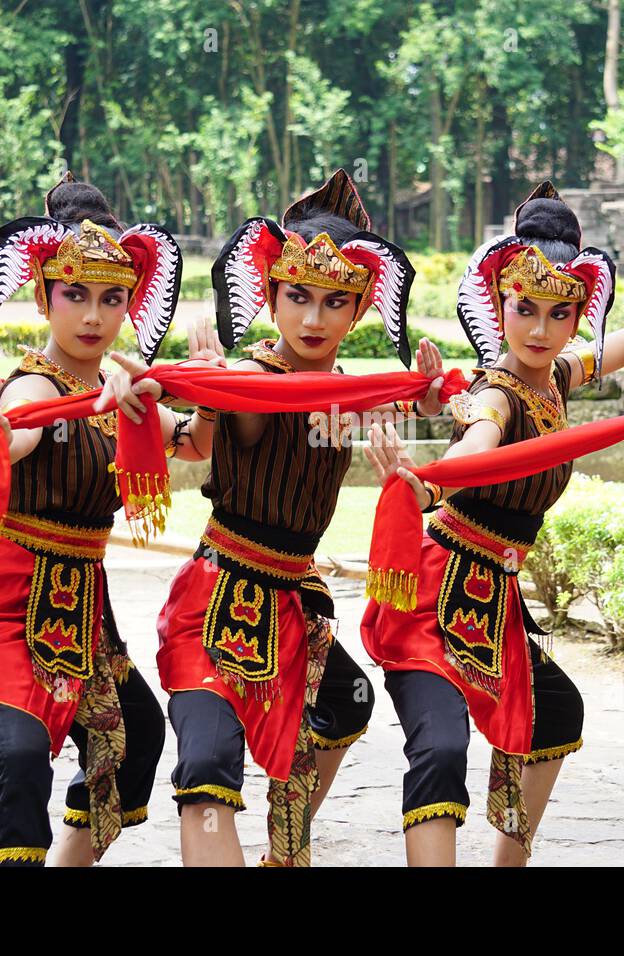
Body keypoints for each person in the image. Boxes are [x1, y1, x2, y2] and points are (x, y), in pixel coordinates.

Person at [360, 182, 624, 866]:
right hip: (436, 595)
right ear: (499, 304)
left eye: (559, 313)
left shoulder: (555, 379)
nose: (541, 330)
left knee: (556, 714)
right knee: (442, 748)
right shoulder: (497, 395)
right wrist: (425, 483)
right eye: (525, 310)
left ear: (578, 317)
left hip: (496, 600)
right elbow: (474, 448)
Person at [142, 168, 442, 866]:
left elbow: (412, 407)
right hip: (216, 600)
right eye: (298, 297)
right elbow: (224, 409)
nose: (313, 319)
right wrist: (205, 387)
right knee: (210, 764)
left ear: (360, 309)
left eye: (335, 302)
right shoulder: (253, 380)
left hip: (293, 605)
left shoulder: (352, 392)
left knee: (352, 699)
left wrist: (427, 404)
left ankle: (284, 847)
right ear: (271, 296)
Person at [0, 175, 208, 867]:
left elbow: (195, 441)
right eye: (75, 295)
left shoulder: (120, 389)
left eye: (112, 298)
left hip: (80, 612)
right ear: (46, 295)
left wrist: (212, 387)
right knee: (16, 756)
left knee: (135, 733)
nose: (93, 316)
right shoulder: (36, 383)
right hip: (0, 603)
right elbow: (16, 432)